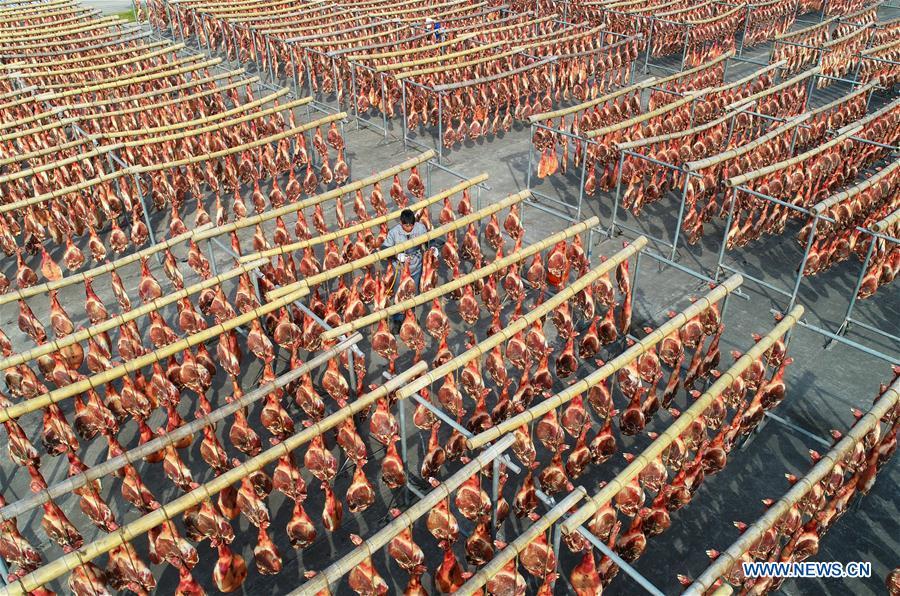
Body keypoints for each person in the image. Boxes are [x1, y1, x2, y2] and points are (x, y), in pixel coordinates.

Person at [382, 209, 438, 333]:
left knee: (413, 293)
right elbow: (384, 248)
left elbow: (429, 239)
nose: (410, 228)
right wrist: (397, 255)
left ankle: (411, 316)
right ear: (402, 223)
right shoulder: (394, 232)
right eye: (407, 225)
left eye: (411, 225)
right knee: (399, 294)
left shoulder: (420, 228)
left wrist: (433, 247)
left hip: (415, 264)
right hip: (400, 268)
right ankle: (398, 319)